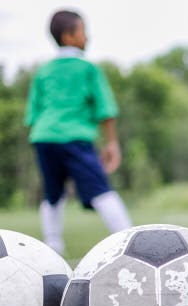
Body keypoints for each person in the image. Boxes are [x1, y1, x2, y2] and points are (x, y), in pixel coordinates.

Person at [25, 10, 132, 255]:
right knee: (101, 190)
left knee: (53, 194)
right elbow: (106, 109)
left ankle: (53, 247)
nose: (87, 37)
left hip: (44, 137)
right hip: (76, 138)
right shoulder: (89, 69)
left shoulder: (43, 71)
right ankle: (128, 240)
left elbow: (33, 114)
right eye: (83, 31)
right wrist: (112, 144)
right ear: (69, 36)